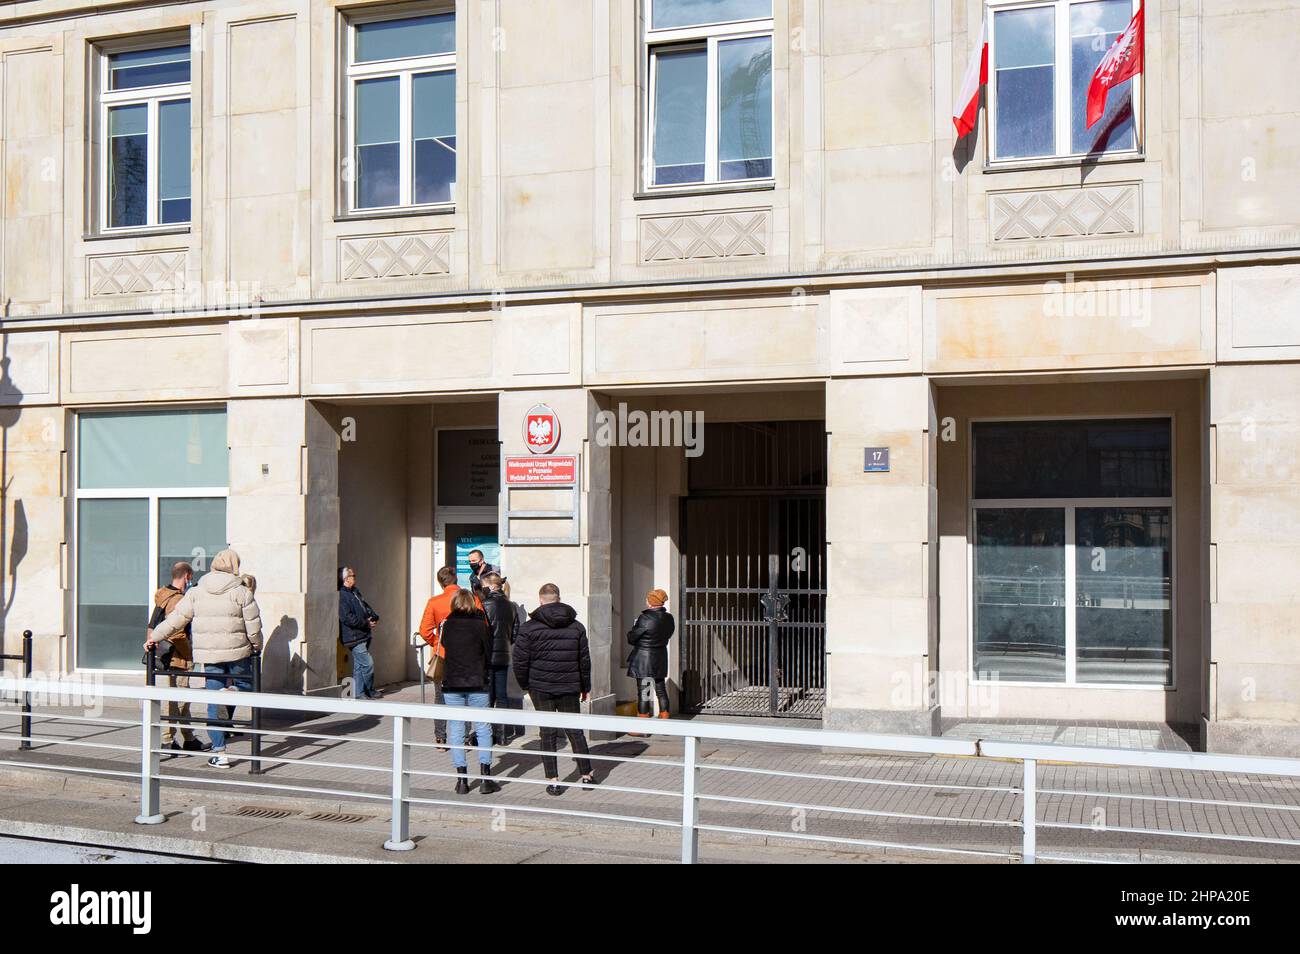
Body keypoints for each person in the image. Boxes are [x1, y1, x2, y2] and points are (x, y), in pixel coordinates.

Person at [149, 548, 262, 768]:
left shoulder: (197, 591)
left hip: (210, 657)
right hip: (238, 653)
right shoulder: (242, 591)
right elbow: (254, 626)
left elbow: (176, 620)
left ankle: (220, 754)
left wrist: (154, 637)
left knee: (215, 701)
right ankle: (235, 692)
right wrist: (257, 645)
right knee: (247, 685)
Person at [513, 583, 597, 796]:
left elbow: (520, 661)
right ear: (558, 599)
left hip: (539, 686)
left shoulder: (529, 628)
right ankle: (586, 775)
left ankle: (553, 780)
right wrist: (585, 686)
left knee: (547, 733)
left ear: (540, 600)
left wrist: (525, 684)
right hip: (569, 685)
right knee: (575, 731)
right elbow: (584, 660)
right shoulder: (576, 626)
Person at [438, 588, 499, 794]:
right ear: (472, 603)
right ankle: (485, 777)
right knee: (482, 727)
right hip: (477, 682)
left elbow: (445, 646)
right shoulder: (480, 625)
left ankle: (462, 780)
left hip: (452, 682)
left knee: (455, 728)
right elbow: (489, 652)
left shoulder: (448, 625)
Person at [419, 566, 483, 746]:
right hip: (468, 656)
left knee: (440, 697)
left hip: (443, 654)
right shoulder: (471, 599)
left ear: (440, 582)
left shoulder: (434, 601)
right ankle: (463, 737)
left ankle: (440, 737)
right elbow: (482, 624)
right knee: (466, 696)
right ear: (456, 580)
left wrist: (435, 642)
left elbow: (424, 630)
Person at [144, 562, 204, 753]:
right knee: (179, 698)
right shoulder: (178, 599)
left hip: (165, 653)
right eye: (190, 578)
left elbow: (152, 624)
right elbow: (176, 631)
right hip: (178, 655)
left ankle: (186, 737)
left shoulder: (163, 595)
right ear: (187, 576)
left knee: (177, 697)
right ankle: (170, 739)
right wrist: (189, 654)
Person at [481, 572, 521, 744]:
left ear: (490, 586)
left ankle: (488, 735)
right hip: (504, 655)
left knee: (488, 698)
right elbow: (515, 632)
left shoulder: (484, 604)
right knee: (502, 696)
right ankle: (503, 735)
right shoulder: (511, 606)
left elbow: (480, 631)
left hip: (487, 657)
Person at [627, 588, 675, 721]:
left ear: (651, 602)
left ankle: (642, 726)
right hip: (660, 656)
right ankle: (665, 719)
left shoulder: (645, 618)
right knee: (661, 690)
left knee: (644, 692)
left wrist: (634, 627)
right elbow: (668, 634)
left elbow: (632, 638)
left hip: (644, 659)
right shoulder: (669, 618)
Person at [339, 566, 382, 700]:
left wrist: (373, 616)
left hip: (363, 633)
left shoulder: (355, 592)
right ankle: (368, 690)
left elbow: (365, 607)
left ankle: (358, 693)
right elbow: (347, 617)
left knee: (359, 666)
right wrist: (366, 623)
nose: (354, 577)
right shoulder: (342, 595)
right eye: (352, 575)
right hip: (353, 635)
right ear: (345, 579)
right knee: (367, 664)